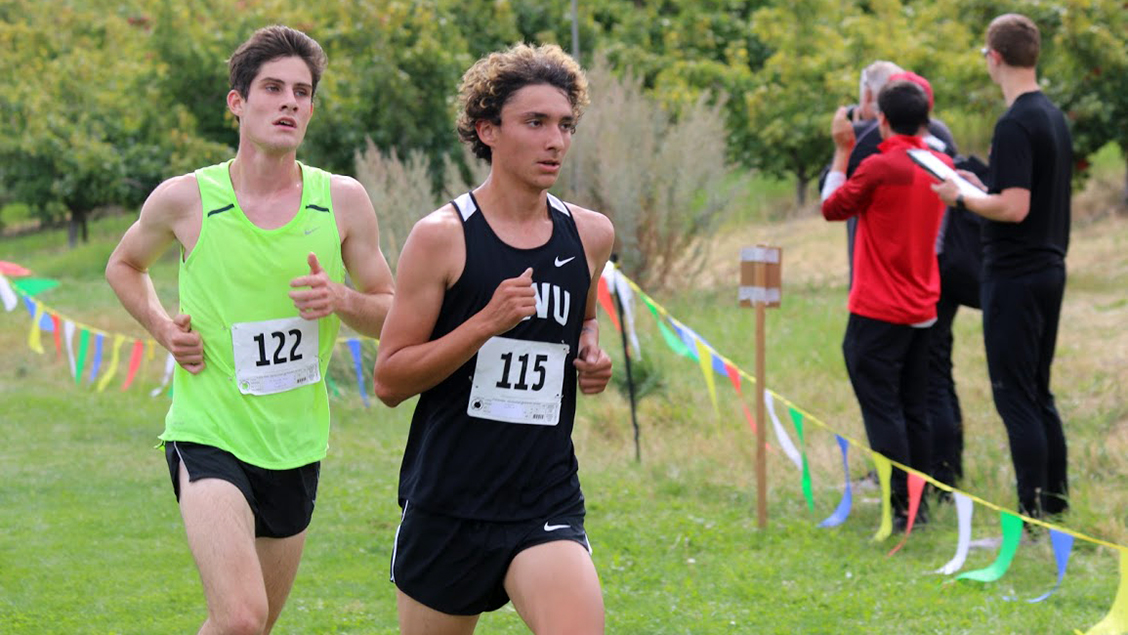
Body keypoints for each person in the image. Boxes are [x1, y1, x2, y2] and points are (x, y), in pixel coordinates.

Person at [105, 25, 395, 634]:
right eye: (273, 88)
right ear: (238, 102)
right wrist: (162, 327)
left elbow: (392, 311)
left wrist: (341, 298)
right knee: (240, 618)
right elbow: (124, 265)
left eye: (303, 91)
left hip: (296, 445)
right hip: (208, 431)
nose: (290, 101)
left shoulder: (342, 202)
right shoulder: (186, 199)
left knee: (250, 628)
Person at [372, 43, 615, 634]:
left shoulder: (590, 235)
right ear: (488, 130)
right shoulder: (441, 238)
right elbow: (389, 379)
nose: (554, 140)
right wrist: (484, 323)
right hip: (449, 502)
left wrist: (591, 353)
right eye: (534, 123)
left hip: (544, 498)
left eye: (564, 125)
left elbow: (582, 318)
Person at [933, 13, 1072, 520]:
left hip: (1014, 274)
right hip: (1049, 268)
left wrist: (961, 198)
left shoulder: (1015, 122)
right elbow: (1024, 190)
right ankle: (1055, 507)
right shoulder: (1050, 116)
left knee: (1014, 396)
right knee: (1038, 390)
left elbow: (1014, 207)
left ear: (994, 57)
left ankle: (1028, 517)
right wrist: (982, 182)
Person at [821, 80, 954, 531]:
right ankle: (919, 503)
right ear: (925, 120)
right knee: (915, 406)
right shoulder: (942, 164)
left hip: (877, 309)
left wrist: (842, 150)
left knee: (884, 409)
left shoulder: (879, 166)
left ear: (880, 121)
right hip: (923, 306)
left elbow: (831, 207)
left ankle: (901, 507)